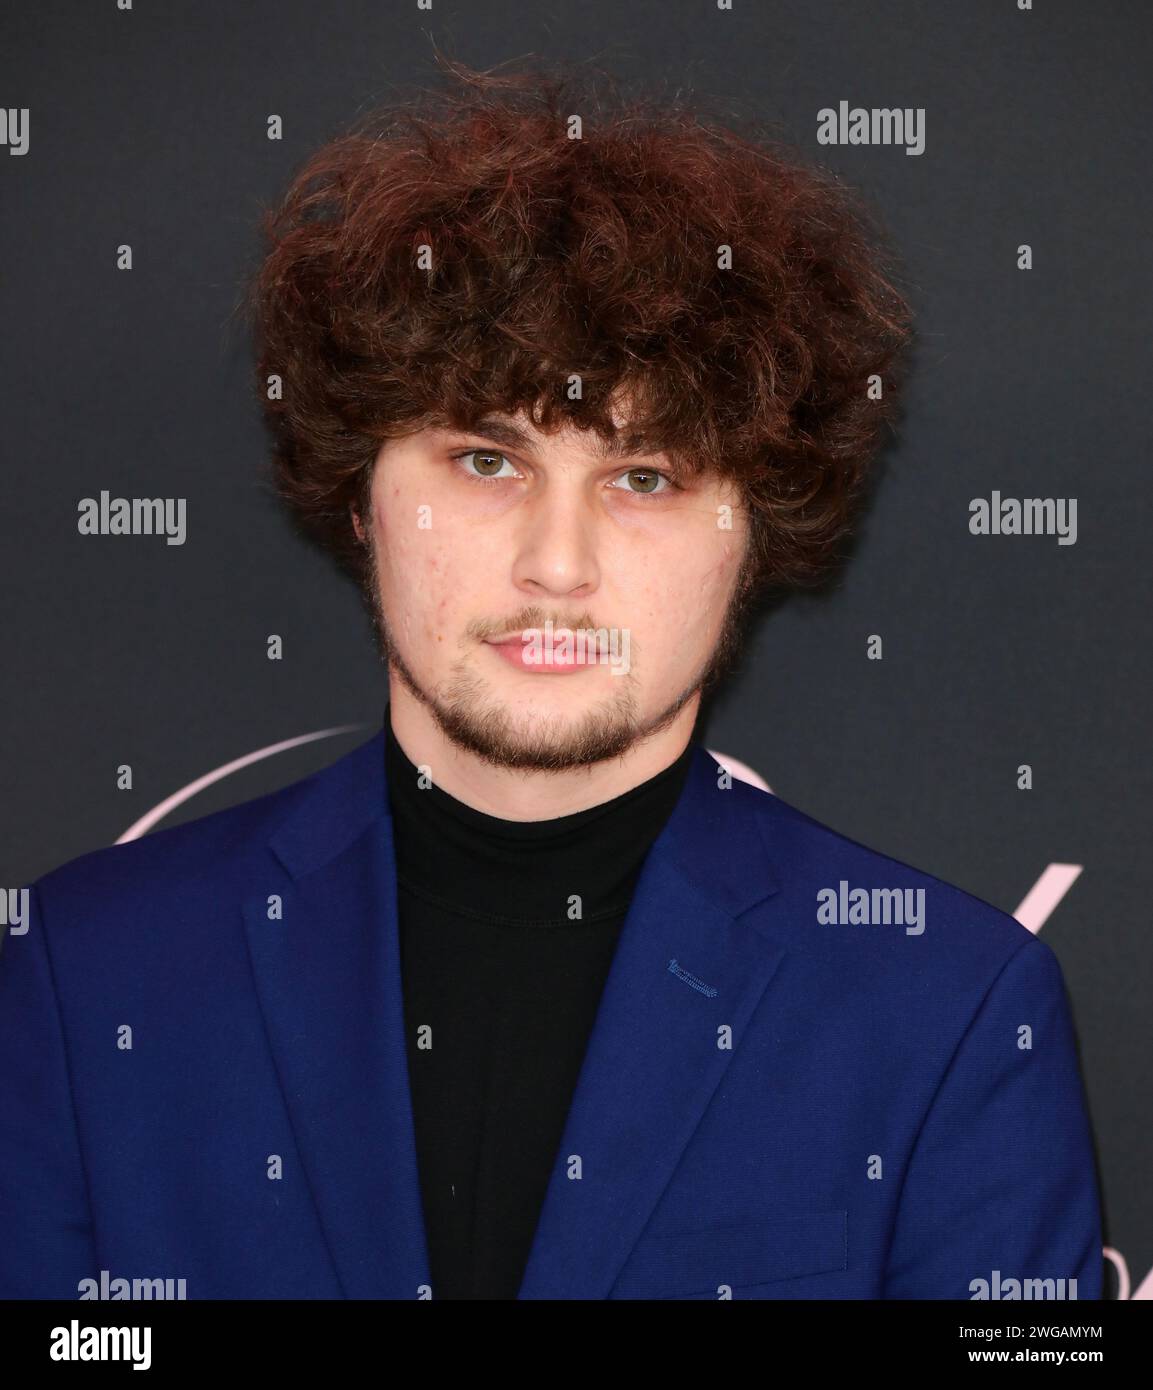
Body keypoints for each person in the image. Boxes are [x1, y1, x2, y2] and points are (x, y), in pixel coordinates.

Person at [0, 58, 1101, 1300]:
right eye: (484, 460)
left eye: (644, 478)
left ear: (758, 532)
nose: (556, 566)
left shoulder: (947, 1012)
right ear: (361, 497)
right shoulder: (89, 973)